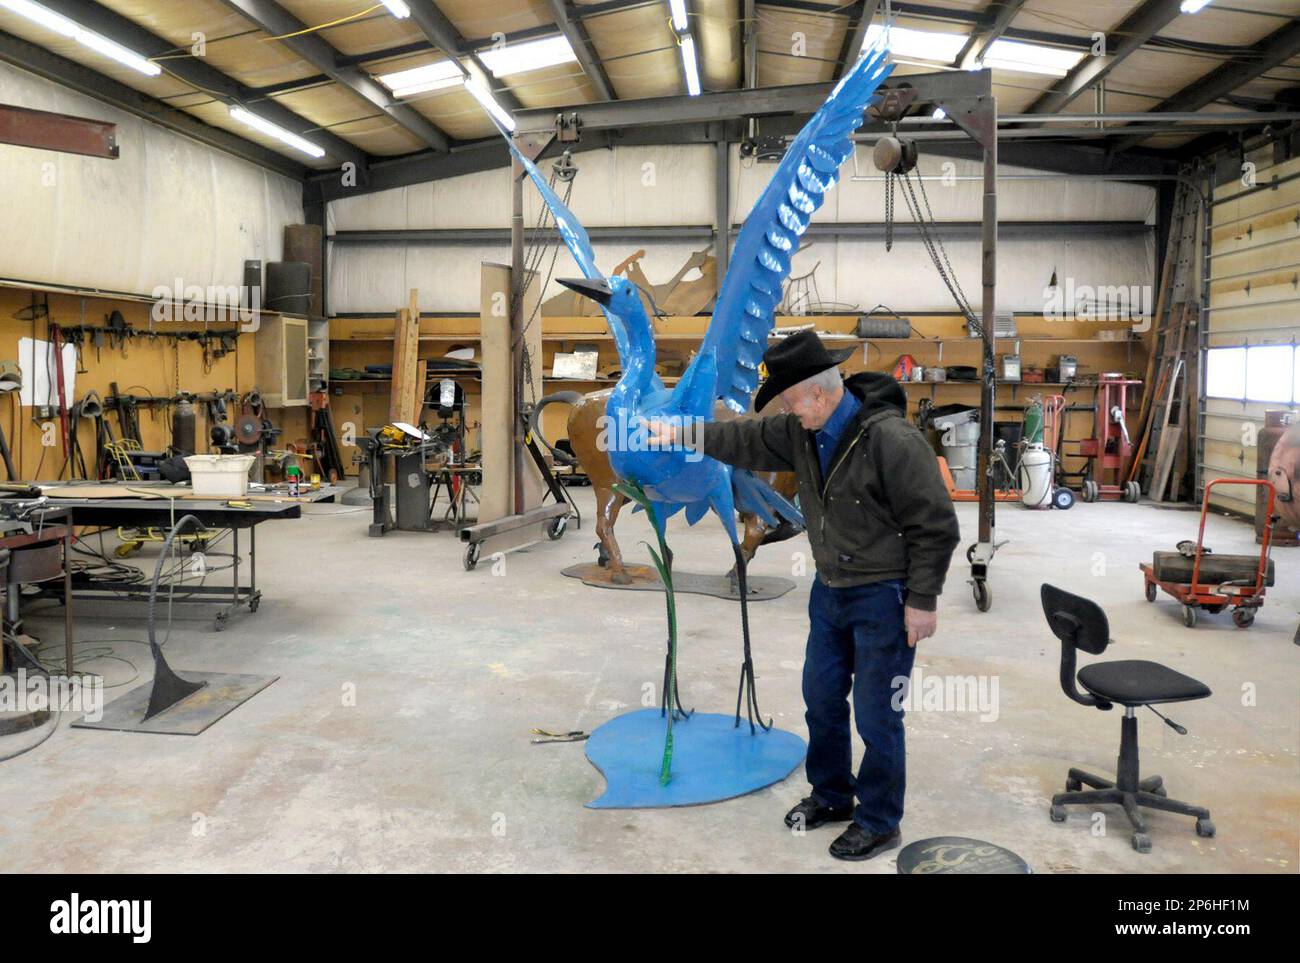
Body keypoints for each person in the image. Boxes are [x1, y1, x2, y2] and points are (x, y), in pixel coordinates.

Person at [646, 330, 961, 861]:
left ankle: (880, 820)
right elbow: (742, 438)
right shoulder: (802, 431)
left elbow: (936, 526)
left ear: (819, 393)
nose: (790, 413)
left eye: (793, 402)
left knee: (878, 713)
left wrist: (923, 600)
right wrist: (679, 433)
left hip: (885, 594)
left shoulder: (892, 440)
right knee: (821, 698)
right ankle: (833, 795)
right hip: (831, 590)